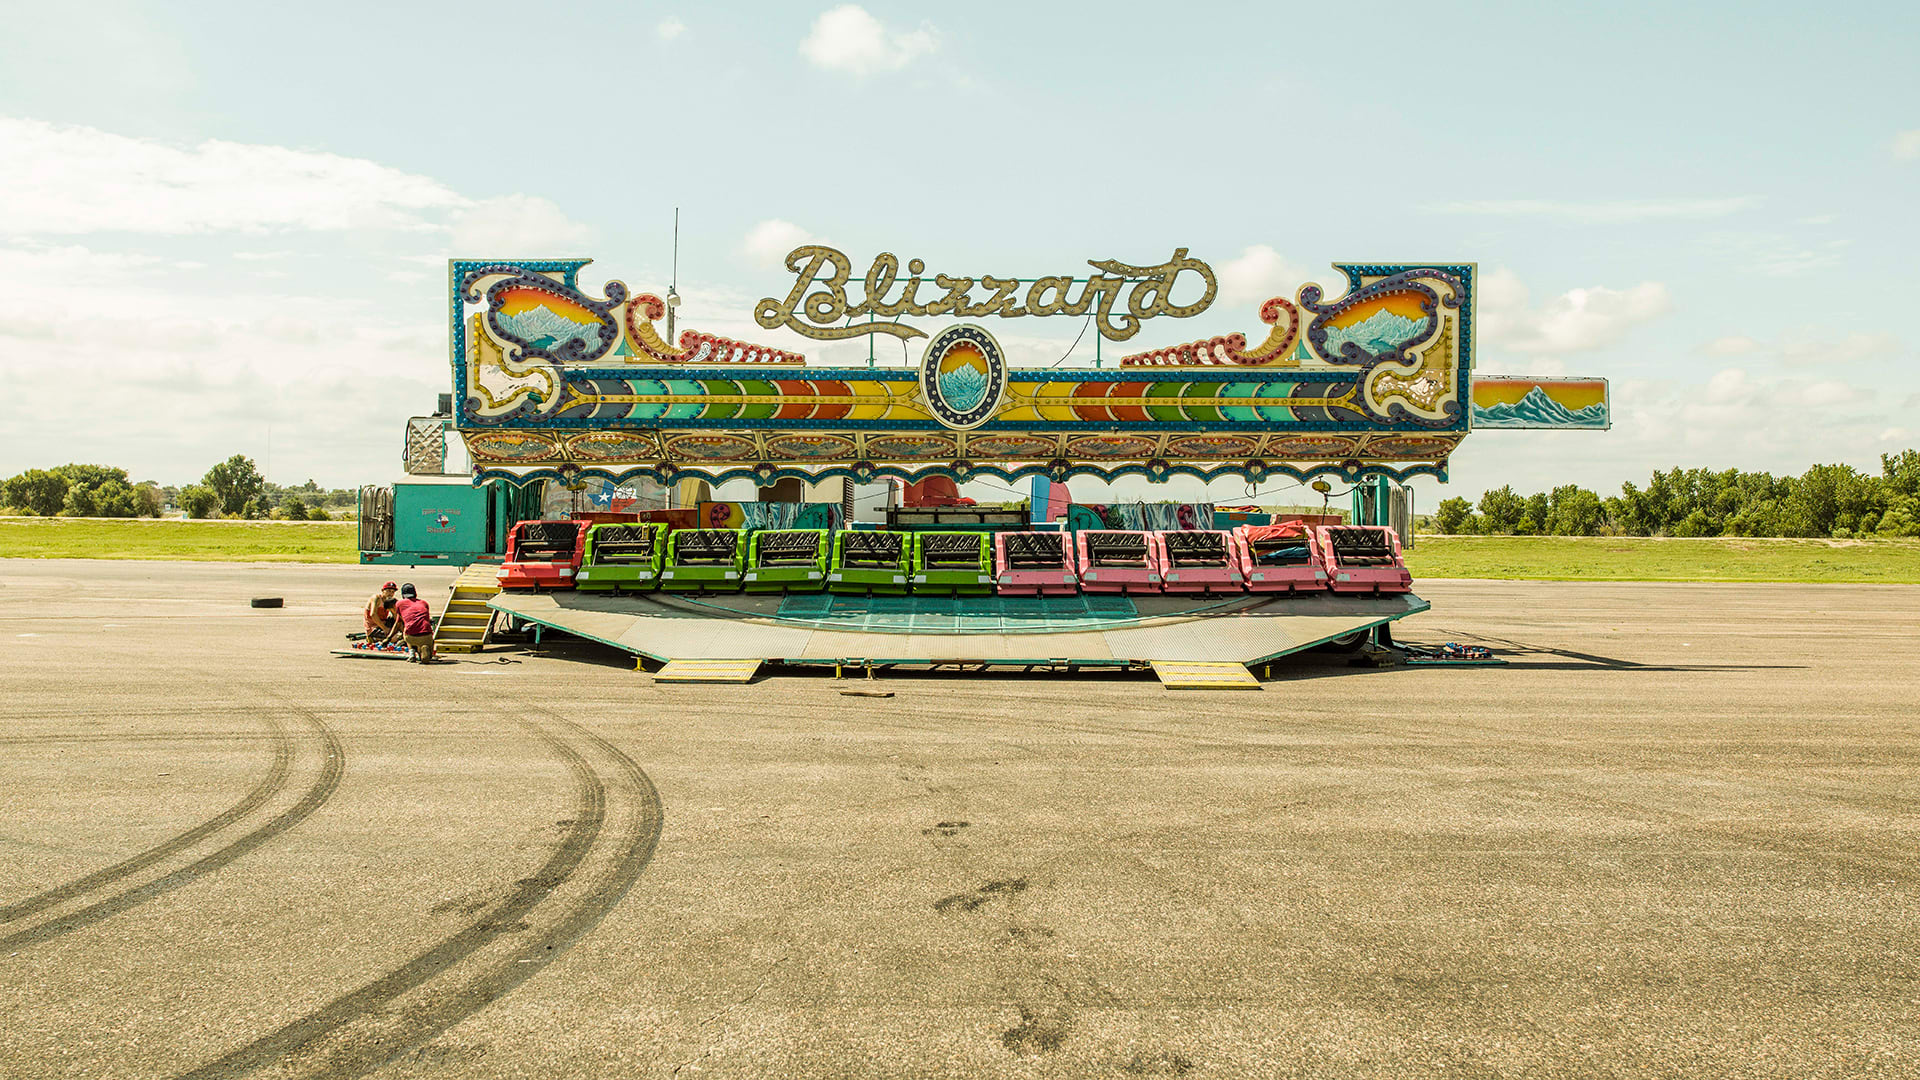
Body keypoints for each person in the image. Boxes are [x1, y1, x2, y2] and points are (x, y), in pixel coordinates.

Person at [393, 582, 436, 663]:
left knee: (407, 627)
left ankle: (412, 653)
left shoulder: (399, 603)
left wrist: (388, 638)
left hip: (411, 636)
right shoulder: (424, 603)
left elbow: (398, 622)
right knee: (427, 647)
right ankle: (425, 650)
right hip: (426, 635)